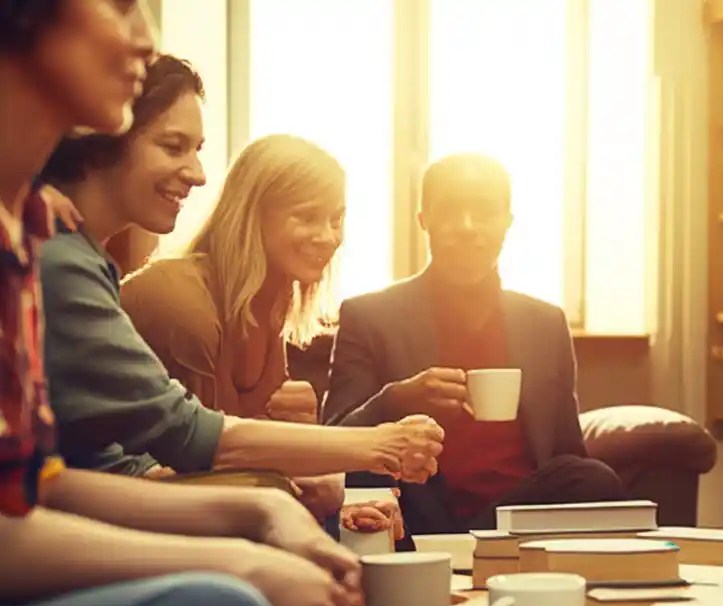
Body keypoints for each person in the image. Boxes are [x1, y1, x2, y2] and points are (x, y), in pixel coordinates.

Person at [1, 3, 347, 606]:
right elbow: (184, 435)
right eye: (121, 5)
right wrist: (243, 556)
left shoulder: (31, 229)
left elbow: (41, 487)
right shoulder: (70, 258)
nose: (143, 36)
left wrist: (260, 509)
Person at [36, 55, 443, 510]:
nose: (198, 173)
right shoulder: (119, 281)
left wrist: (327, 491)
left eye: (336, 219)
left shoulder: (270, 307)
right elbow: (188, 440)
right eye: (173, 146)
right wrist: (380, 443)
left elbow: (133, 458)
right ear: (104, 135)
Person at [323, 153, 627, 534]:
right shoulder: (370, 317)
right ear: (424, 220)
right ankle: (464, 545)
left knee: (592, 478)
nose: (467, 227)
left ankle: (472, 544)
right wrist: (395, 401)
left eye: (483, 212)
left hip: (519, 514)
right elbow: (331, 445)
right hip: (418, 509)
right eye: (450, 212)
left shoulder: (545, 323)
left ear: (507, 223)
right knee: (376, 480)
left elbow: (566, 452)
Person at [119, 133, 346, 519]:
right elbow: (202, 458)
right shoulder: (179, 302)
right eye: (307, 217)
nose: (328, 237)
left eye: (336, 219)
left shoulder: (274, 298)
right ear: (252, 215)